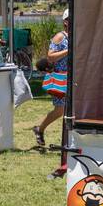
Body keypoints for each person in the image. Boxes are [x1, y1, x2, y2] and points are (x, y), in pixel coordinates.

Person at [32, 10, 70, 148]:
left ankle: (68, 139)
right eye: (70, 19)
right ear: (65, 21)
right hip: (61, 77)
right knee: (60, 110)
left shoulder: (76, 36)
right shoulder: (60, 37)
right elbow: (50, 56)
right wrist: (68, 50)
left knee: (71, 110)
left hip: (73, 76)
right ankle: (40, 129)